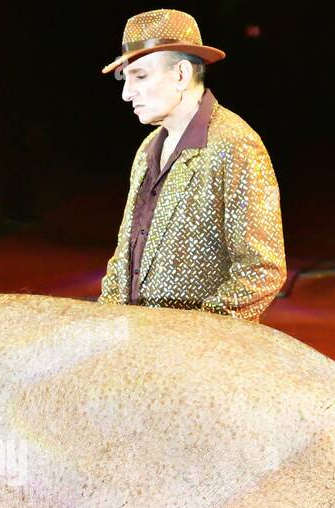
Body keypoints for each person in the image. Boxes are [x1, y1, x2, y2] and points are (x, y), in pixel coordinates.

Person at [98, 9, 286, 322]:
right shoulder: (147, 149)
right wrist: (105, 331)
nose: (126, 92)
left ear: (182, 75)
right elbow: (123, 260)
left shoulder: (235, 144)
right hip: (137, 350)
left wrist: (191, 338)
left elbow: (262, 271)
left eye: (140, 76)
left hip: (198, 361)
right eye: (126, 78)